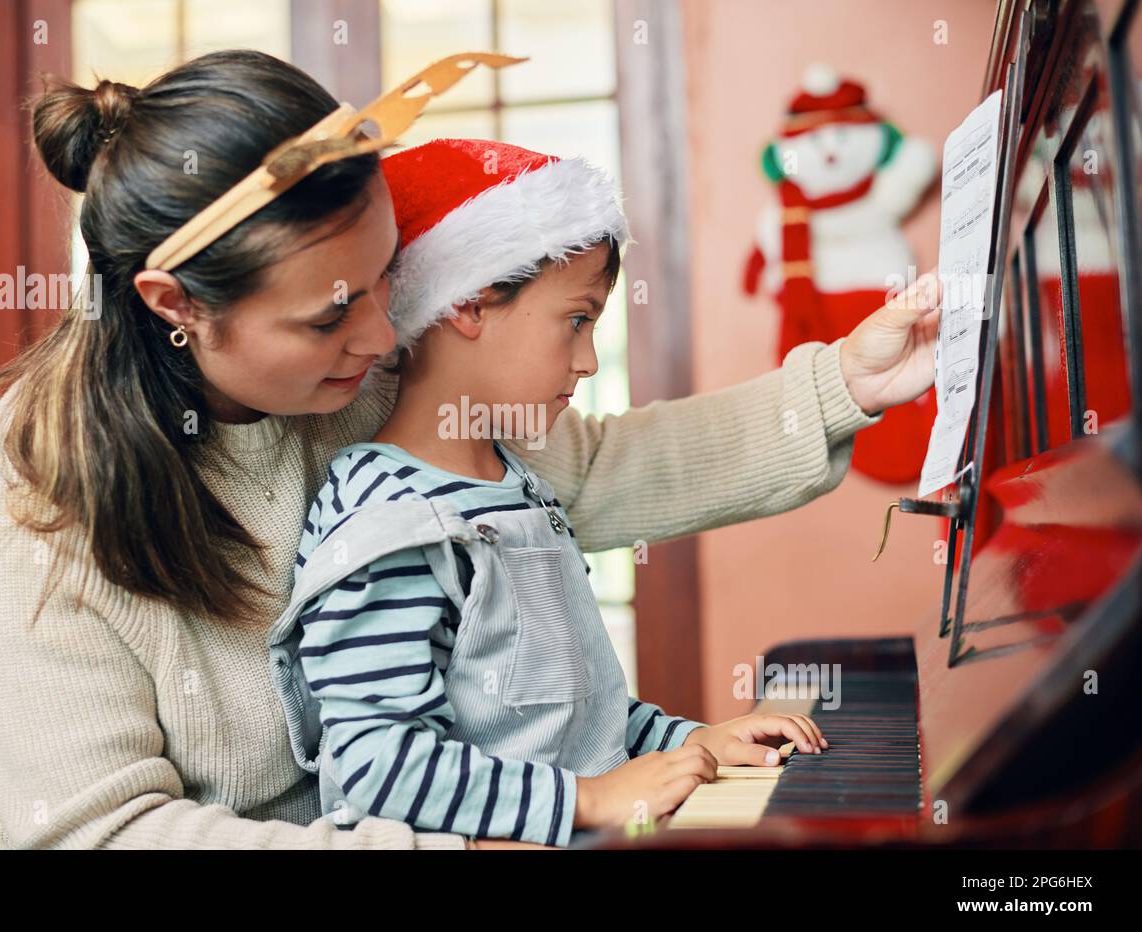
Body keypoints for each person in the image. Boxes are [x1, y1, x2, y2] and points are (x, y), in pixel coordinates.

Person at [0, 49, 938, 850]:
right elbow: (105, 831)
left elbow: (585, 470)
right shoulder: (42, 486)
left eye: (387, 277)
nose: (383, 338)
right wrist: (511, 826)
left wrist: (842, 384)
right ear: (178, 307)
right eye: (332, 314)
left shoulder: (350, 365)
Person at [272, 139, 829, 847]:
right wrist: (591, 799)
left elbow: (568, 715)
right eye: (577, 319)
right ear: (469, 303)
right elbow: (379, 766)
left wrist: (695, 745)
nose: (590, 360)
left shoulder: (517, 485)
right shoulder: (391, 517)